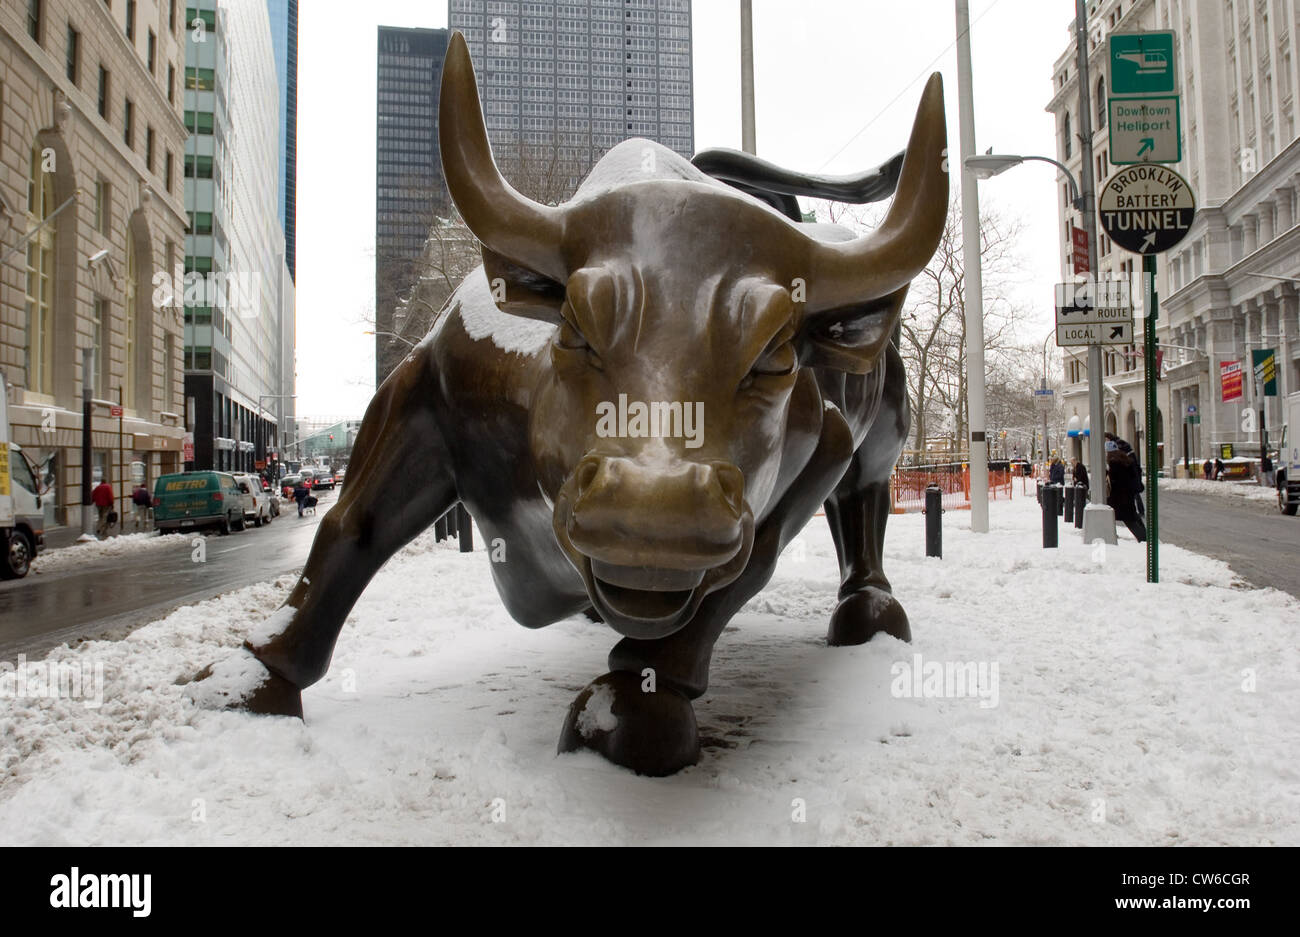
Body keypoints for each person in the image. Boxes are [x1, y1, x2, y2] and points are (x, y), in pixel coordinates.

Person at [1106, 442, 1146, 542]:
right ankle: (1145, 536)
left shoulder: (1114, 463)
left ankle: (1143, 538)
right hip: (1128, 495)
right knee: (1132, 516)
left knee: (1129, 519)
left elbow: (1115, 482)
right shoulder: (1126, 460)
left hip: (1120, 497)